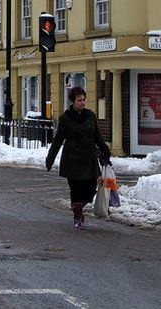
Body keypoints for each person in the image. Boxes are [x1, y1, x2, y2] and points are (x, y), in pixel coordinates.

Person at [45, 86, 112, 230]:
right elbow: (58, 139)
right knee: (75, 190)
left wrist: (106, 152)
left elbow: (97, 137)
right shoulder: (66, 118)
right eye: (79, 100)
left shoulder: (91, 116)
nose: (82, 102)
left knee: (90, 190)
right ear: (73, 101)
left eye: (84, 99)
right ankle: (78, 216)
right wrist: (50, 158)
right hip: (72, 160)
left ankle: (79, 207)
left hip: (89, 159)